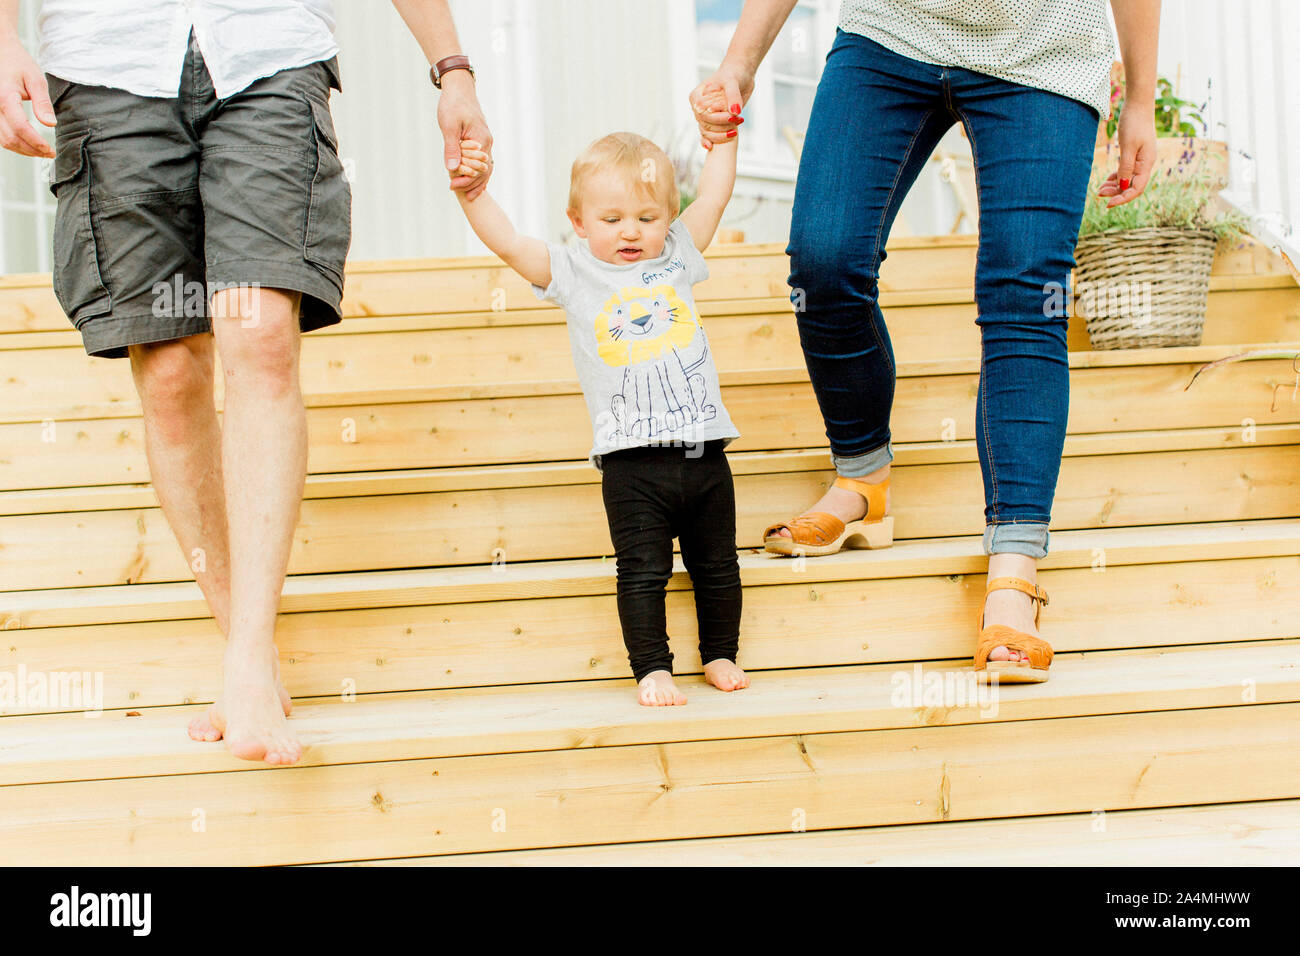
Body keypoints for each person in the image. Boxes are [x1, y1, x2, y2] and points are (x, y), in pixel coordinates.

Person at [0, 0, 493, 763]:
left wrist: (452, 69)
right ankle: (245, 645)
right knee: (167, 369)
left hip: (268, 46)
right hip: (105, 62)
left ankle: (249, 661)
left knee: (260, 332)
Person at [690, 0, 1159, 683]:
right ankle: (862, 478)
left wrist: (1139, 101)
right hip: (891, 31)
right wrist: (737, 65)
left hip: (1045, 48)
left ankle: (1014, 568)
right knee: (825, 260)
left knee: (1026, 297)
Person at [453, 128, 751, 706]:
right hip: (632, 464)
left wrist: (725, 140)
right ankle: (652, 667)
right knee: (643, 572)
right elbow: (512, 244)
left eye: (646, 217)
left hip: (705, 451)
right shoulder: (572, 270)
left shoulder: (677, 258)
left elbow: (713, 197)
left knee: (718, 566)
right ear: (579, 221)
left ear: (669, 217)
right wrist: (473, 196)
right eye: (611, 219)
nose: (631, 231)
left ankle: (720, 652)